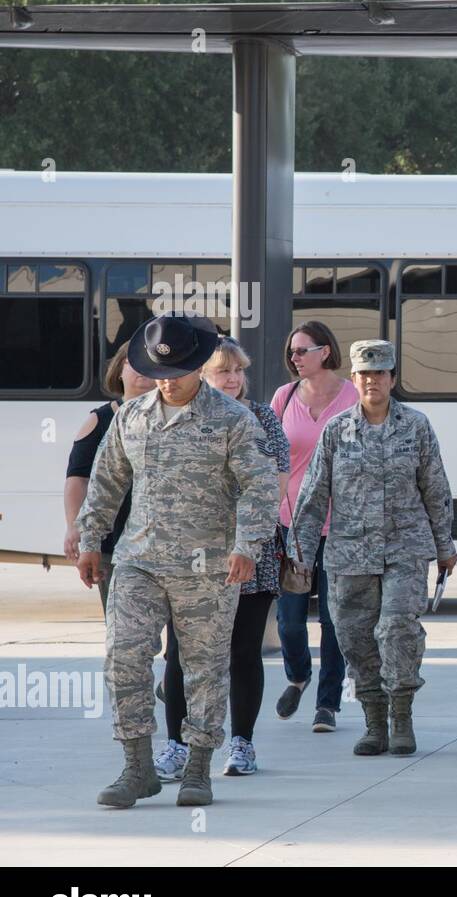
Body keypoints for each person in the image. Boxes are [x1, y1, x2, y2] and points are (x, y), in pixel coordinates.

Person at [75, 312, 278, 808]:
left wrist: (247, 546)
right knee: (124, 658)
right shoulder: (132, 416)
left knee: (204, 668)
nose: (167, 382)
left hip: (208, 565)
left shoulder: (233, 420)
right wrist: (90, 539)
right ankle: (138, 767)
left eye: (178, 372)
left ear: (198, 365)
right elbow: (106, 481)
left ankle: (197, 769)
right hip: (139, 559)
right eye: (159, 373)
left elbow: (260, 485)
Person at [292, 340, 457, 758]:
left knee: (397, 629)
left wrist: (445, 546)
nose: (372, 381)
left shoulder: (416, 427)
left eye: (380, 373)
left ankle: (402, 716)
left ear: (392, 379)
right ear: (354, 379)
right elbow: (313, 496)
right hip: (349, 554)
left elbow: (435, 489)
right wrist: (301, 555)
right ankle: (373, 722)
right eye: (365, 374)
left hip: (405, 547)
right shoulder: (336, 431)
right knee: (356, 638)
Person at [156, 337, 291, 779]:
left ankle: (242, 744)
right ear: (200, 374)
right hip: (190, 557)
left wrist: (245, 537)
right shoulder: (178, 418)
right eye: (222, 371)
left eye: (237, 370)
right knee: (181, 654)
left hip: (249, 553)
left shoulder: (263, 417)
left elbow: (277, 483)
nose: (232, 379)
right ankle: (176, 745)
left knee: (243, 652)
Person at [272, 321, 358, 732]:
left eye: (302, 350)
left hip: (341, 528)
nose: (294, 358)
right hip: (293, 529)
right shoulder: (283, 397)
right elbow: (268, 455)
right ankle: (298, 675)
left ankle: (328, 705)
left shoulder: (353, 396)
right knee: (289, 620)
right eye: (292, 351)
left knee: (333, 620)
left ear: (325, 352)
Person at [63, 346, 155, 610]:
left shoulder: (174, 417)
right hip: (113, 544)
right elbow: (77, 479)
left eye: (149, 362)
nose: (141, 370)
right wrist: (73, 526)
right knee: (123, 630)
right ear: (120, 369)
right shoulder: (100, 419)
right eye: (133, 362)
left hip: (163, 546)